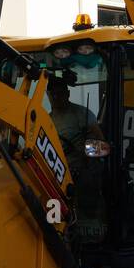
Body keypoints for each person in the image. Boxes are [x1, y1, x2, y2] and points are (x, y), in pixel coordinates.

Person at [47, 78, 107, 242]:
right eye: (53, 94)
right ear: (47, 96)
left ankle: (93, 234)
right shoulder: (46, 121)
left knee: (88, 188)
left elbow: (102, 147)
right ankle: (56, 235)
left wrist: (81, 150)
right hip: (57, 177)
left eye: (60, 93)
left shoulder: (82, 114)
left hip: (83, 172)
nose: (56, 97)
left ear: (67, 93)